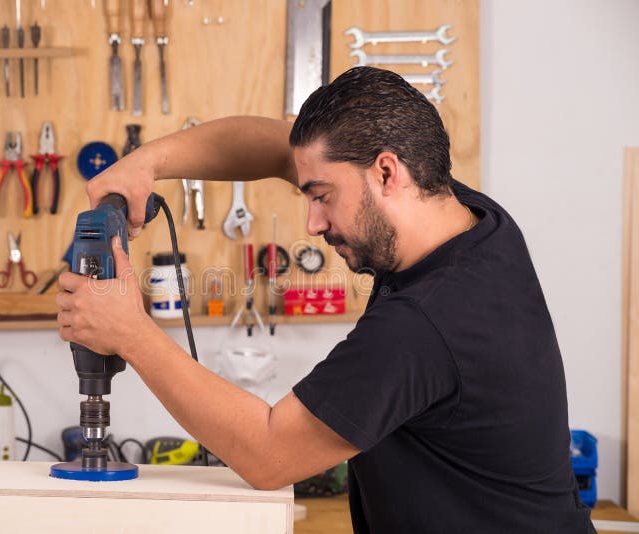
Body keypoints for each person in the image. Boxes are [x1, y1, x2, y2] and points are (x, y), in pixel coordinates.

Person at [56, 67, 593, 533]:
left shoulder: (424, 324)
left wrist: (130, 333)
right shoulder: (467, 217)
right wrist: (146, 163)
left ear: (387, 172)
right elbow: (277, 145)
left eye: (321, 197)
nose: (312, 224)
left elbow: (269, 453)